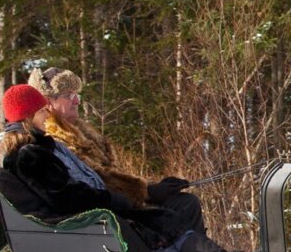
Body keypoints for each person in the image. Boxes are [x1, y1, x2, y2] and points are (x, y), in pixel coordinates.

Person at [0, 83, 258, 252]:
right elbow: (64, 197)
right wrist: (111, 199)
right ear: (27, 116)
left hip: (98, 215)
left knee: (164, 217)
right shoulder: (30, 155)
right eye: (42, 110)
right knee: (159, 221)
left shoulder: (41, 147)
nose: (47, 113)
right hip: (92, 223)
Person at [27, 66, 205, 235]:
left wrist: (151, 186)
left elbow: (113, 174)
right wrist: (147, 192)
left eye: (77, 95)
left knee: (185, 202)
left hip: (119, 203)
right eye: (68, 95)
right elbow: (94, 184)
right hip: (103, 216)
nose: (76, 101)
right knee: (183, 207)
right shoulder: (54, 141)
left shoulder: (81, 132)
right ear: (48, 102)